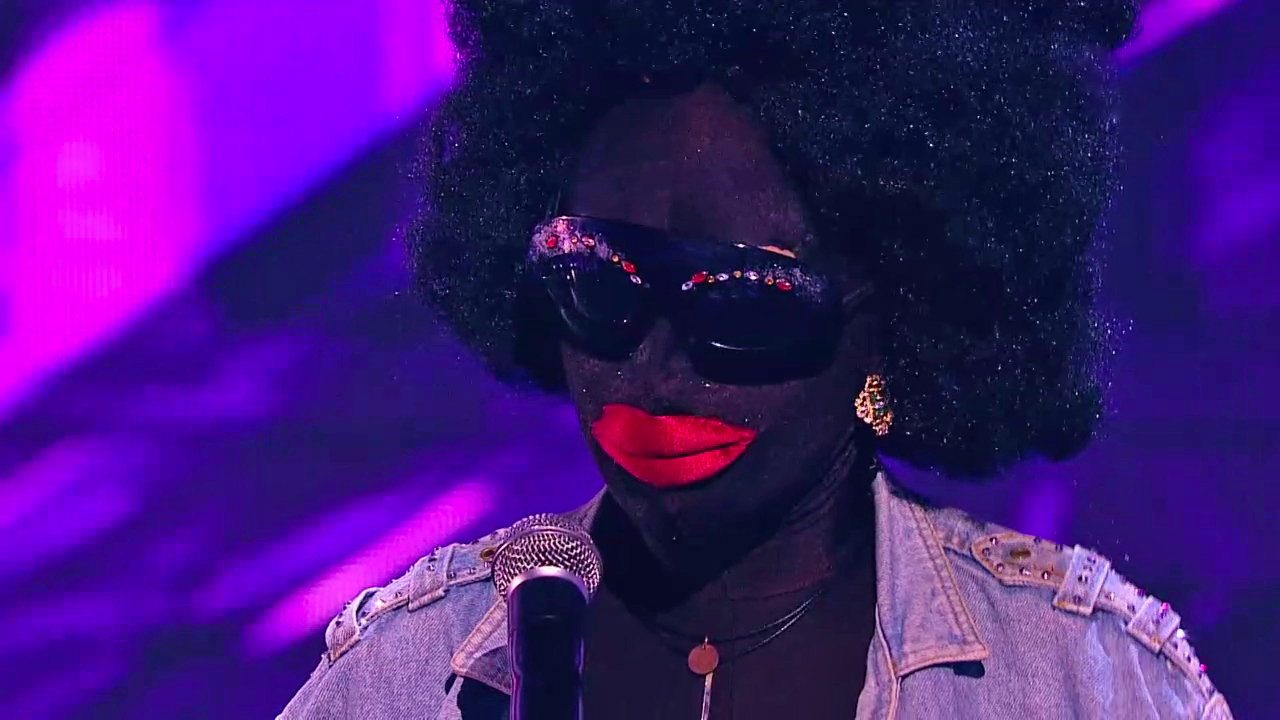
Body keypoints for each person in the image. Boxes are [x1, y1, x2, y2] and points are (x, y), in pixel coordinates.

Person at [280, 1, 1233, 718]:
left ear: (895, 313)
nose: (652, 367)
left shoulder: (1082, 683)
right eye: (599, 283)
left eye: (741, 300)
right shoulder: (408, 678)